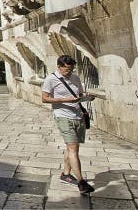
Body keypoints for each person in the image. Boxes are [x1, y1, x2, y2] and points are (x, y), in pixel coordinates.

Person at [41, 55, 95, 195]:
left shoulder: (75, 78)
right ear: (59, 67)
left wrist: (87, 97)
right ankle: (81, 182)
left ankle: (66, 174)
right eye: (67, 70)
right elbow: (44, 99)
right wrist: (65, 100)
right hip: (62, 116)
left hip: (78, 116)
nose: (69, 72)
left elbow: (80, 94)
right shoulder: (51, 79)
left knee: (71, 147)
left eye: (71, 70)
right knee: (73, 148)